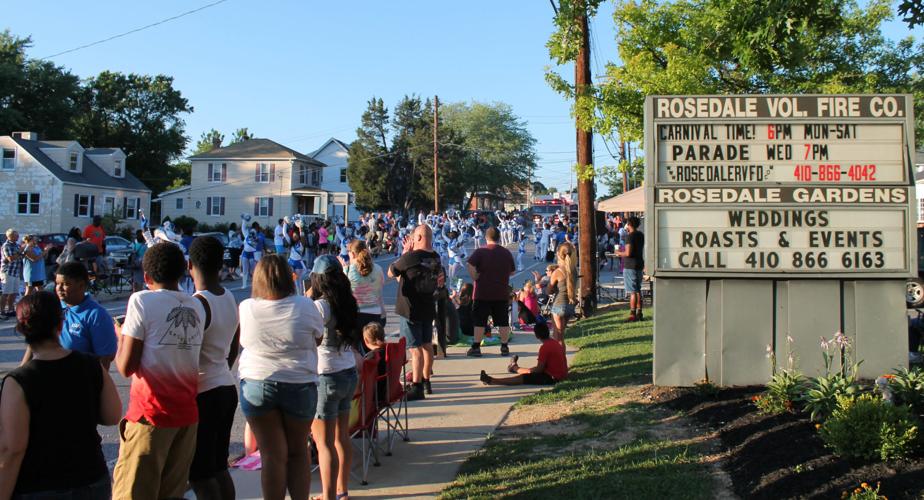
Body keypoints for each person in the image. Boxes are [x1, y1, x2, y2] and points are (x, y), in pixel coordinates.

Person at [0, 291, 122, 499]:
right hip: (91, 479)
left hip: (39, 485)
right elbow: (112, 415)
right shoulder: (91, 364)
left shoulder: (19, 381)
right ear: (60, 324)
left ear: (22, 329)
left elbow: (13, 448)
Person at [112, 242, 206, 500]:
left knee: (133, 491)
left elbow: (126, 367)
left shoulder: (141, 300)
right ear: (183, 272)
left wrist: (121, 336)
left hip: (150, 415)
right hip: (186, 415)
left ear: (146, 277)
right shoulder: (197, 305)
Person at [238, 254, 323, 500]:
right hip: (299, 382)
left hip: (256, 382)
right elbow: (317, 339)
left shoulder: (247, 308)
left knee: (271, 454)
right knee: (297, 451)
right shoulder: (306, 306)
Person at [189, 236, 241, 500]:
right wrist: (224, 367)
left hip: (204, 392)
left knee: (200, 473)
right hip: (224, 385)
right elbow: (235, 341)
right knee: (220, 466)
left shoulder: (197, 303)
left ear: (190, 265)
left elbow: (188, 353)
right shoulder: (229, 296)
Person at [308, 255, 360, 500]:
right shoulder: (348, 302)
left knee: (324, 442)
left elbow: (308, 333)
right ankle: (342, 490)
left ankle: (327, 495)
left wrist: (307, 298)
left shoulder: (320, 306)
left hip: (326, 373)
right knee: (342, 437)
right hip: (347, 370)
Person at [22, 262, 118, 369]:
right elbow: (34, 343)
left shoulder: (97, 315)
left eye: (65, 284)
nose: (59, 288)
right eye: (57, 283)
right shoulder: (52, 307)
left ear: (81, 285)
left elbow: (104, 359)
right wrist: (20, 373)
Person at [388, 225, 443, 400]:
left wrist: (405, 252)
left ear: (418, 238)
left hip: (410, 309)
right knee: (427, 346)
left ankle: (417, 386)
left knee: (415, 349)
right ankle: (427, 381)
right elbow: (402, 278)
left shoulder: (411, 257)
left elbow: (391, 272)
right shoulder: (436, 257)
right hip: (428, 307)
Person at [466, 227, 516, 358]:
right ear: (499, 238)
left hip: (482, 292)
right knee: (503, 321)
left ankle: (476, 347)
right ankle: (504, 346)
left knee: (480, 321)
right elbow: (512, 271)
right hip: (500, 292)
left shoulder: (481, 251)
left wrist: (475, 276)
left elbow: (470, 264)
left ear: (486, 237)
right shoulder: (506, 253)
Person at [479, 322, 567, 386]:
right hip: (560, 375)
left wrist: (530, 371)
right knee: (530, 371)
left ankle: (492, 381)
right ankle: (513, 367)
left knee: (522, 378)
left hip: (552, 378)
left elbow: (539, 370)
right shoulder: (555, 343)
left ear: (536, 336)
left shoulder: (545, 347)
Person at [345, 239, 386, 328]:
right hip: (376, 313)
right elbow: (379, 290)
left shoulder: (347, 270)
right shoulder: (378, 269)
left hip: (356, 314)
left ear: (352, 254)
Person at [547, 242, 577, 347]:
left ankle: (560, 362)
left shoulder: (557, 272)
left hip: (559, 305)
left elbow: (549, 291)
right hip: (570, 305)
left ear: (559, 255)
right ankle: (560, 361)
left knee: (558, 338)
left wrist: (551, 277)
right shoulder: (574, 270)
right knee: (560, 336)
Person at [616, 216, 645, 322]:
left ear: (629, 224)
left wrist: (618, 253)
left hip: (630, 265)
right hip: (639, 264)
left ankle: (632, 313)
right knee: (638, 289)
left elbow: (628, 253)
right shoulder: (640, 235)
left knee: (633, 291)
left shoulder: (630, 236)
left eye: (627, 224)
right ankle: (639, 312)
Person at [1, 229, 23, 319]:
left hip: (16, 272)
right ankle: (1, 311)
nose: (18, 237)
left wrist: (23, 251)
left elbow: (20, 256)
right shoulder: (6, 245)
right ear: (10, 236)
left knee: (14, 293)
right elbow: (10, 258)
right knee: (6, 293)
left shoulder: (17, 245)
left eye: (17, 235)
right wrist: (20, 252)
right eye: (16, 235)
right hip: (8, 272)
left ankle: (10, 310)